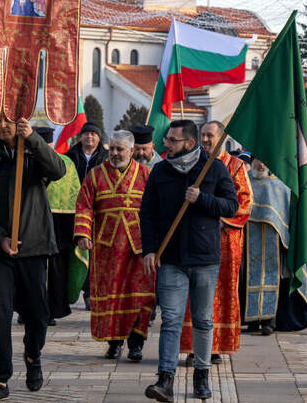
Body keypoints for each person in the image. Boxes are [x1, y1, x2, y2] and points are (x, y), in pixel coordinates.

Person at [0, 116, 66, 403]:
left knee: (38, 315)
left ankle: (33, 356)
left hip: (33, 248)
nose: (3, 126)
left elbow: (58, 170)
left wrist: (33, 138)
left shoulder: (35, 155)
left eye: (8, 120)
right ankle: (0, 379)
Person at [139, 119, 238, 402]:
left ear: (189, 143)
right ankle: (165, 379)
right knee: (170, 319)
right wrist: (150, 250)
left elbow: (231, 206)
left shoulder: (213, 168)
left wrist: (202, 198)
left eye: (172, 140)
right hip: (170, 259)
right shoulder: (160, 171)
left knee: (203, 320)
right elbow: (147, 213)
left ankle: (201, 375)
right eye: (167, 139)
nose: (166, 144)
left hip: (205, 258)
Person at [74, 130, 155, 362]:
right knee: (112, 296)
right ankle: (114, 343)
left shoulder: (146, 175)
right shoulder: (95, 175)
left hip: (138, 248)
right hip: (107, 247)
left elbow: (157, 209)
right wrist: (83, 232)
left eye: (121, 149)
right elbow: (84, 205)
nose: (115, 153)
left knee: (139, 297)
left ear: (131, 150)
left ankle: (136, 344)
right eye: (113, 149)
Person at [181, 120, 252, 363]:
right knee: (194, 291)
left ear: (221, 137)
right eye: (202, 135)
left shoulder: (235, 165)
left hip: (225, 240)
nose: (205, 140)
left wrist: (216, 217)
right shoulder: (191, 163)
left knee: (223, 290)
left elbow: (244, 203)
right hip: (197, 239)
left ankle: (216, 346)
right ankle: (193, 347)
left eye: (210, 135)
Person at [39, 127, 84, 324]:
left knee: (56, 272)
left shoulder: (66, 163)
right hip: (32, 226)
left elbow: (74, 196)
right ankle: (28, 309)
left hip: (59, 229)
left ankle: (52, 310)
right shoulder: (23, 161)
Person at [242, 156, 291, 335]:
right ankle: (252, 320)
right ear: (252, 160)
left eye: (264, 160)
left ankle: (270, 321)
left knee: (271, 276)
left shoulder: (279, 184)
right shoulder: (244, 180)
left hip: (273, 240)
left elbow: (285, 212)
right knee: (248, 276)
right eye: (258, 160)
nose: (261, 165)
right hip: (249, 237)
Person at [66, 122, 108, 309]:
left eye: (93, 134)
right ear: (80, 136)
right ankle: (72, 289)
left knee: (94, 254)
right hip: (72, 211)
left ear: (99, 137)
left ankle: (91, 293)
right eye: (86, 134)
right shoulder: (70, 156)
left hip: (98, 213)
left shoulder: (107, 158)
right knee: (74, 252)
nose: (89, 137)